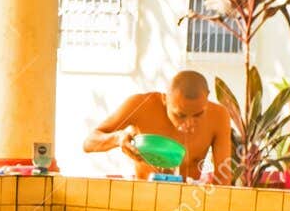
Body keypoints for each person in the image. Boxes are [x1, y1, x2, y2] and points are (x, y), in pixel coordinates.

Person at [84, 71, 234, 182]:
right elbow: (89, 143)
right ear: (165, 99)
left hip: (186, 206)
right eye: (180, 115)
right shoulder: (140, 105)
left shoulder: (219, 116)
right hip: (143, 197)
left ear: (207, 97)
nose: (188, 124)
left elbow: (224, 177)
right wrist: (117, 139)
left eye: (198, 115)